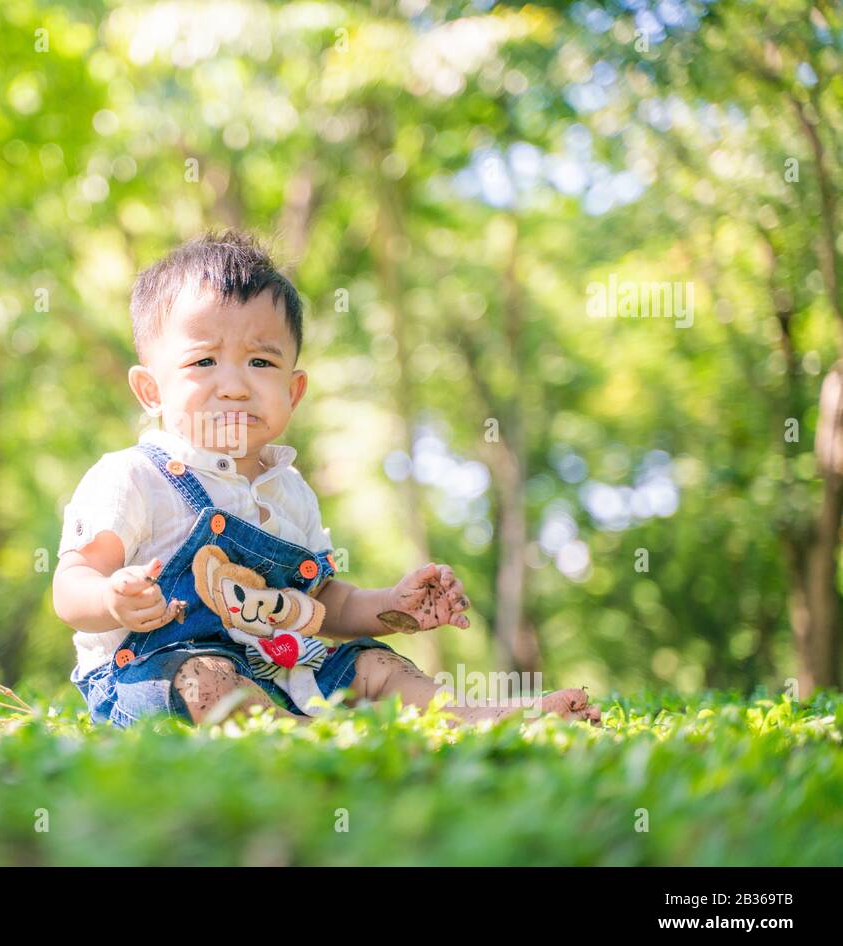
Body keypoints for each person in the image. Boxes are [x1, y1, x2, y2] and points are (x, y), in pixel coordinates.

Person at [52, 229, 602, 729]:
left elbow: (325, 607)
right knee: (208, 681)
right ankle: (302, 739)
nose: (236, 386)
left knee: (373, 664)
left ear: (293, 391)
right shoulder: (133, 476)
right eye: (203, 362)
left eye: (261, 363)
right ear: (150, 390)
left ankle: (476, 718)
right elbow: (71, 584)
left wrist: (392, 605)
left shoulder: (289, 492)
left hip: (278, 666)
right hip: (150, 673)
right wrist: (110, 597)